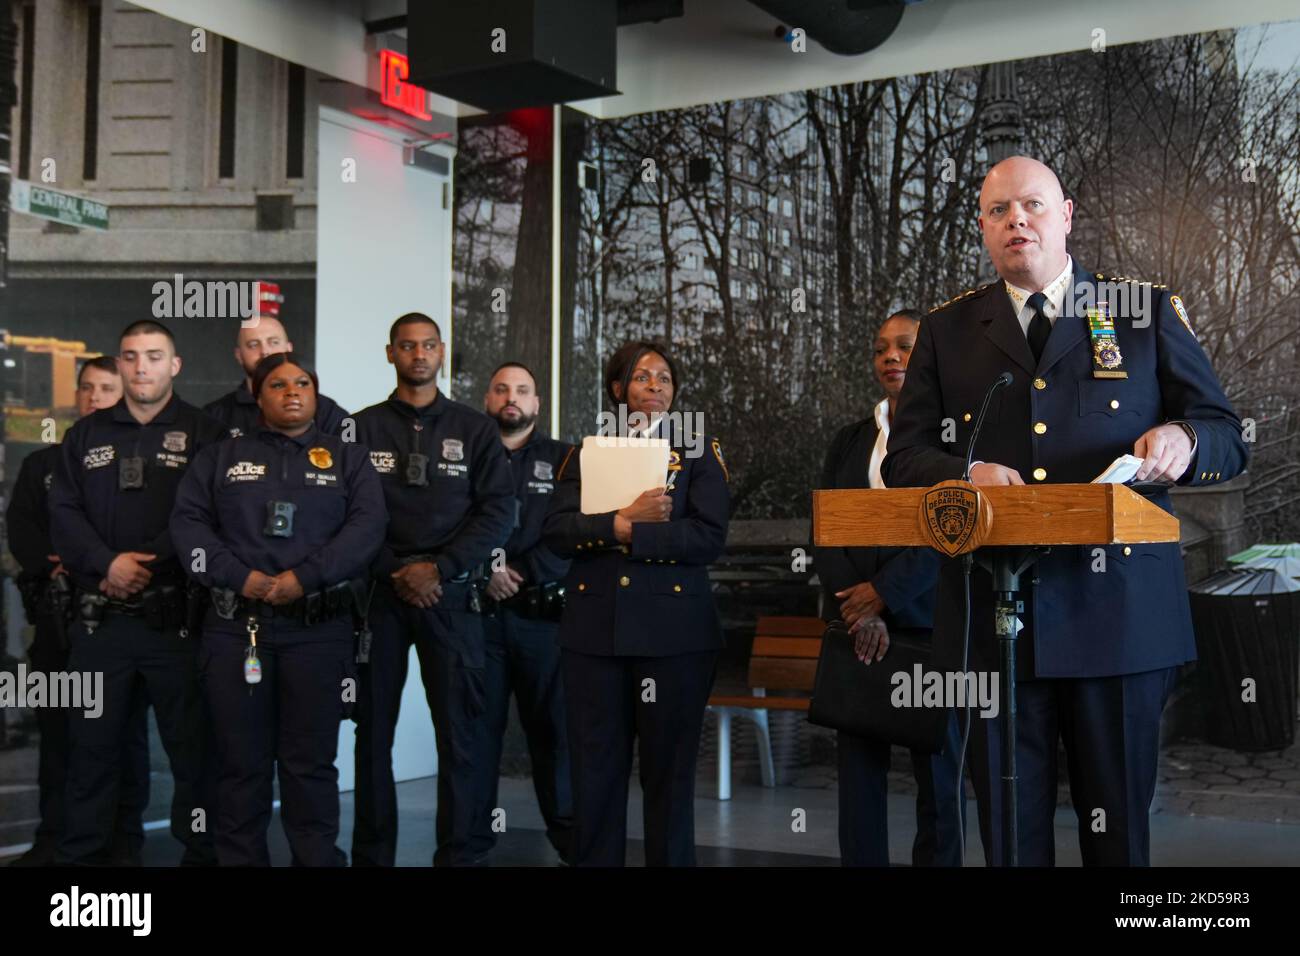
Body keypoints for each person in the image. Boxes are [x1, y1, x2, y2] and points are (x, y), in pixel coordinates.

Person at [881, 156, 1249, 866]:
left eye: (1033, 205)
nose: (1017, 220)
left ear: (1067, 214)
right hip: (994, 625)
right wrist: (966, 473)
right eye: (998, 211)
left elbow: (1227, 438)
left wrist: (1185, 436)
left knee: (1117, 839)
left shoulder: (1141, 311)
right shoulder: (948, 329)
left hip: (1120, 619)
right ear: (984, 229)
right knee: (1011, 839)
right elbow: (905, 460)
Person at [171, 353, 386, 866]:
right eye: (278, 384)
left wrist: (304, 578)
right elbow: (189, 527)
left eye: (303, 383)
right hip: (235, 630)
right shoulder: (221, 457)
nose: (292, 391)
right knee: (240, 766)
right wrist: (239, 577)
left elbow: (366, 530)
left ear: (316, 393)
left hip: (319, 631)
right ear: (256, 394)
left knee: (309, 765)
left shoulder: (348, 457)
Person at [542, 341, 730, 867]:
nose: (655, 386)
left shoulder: (697, 450)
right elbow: (555, 531)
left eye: (664, 378)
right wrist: (618, 523)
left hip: (675, 638)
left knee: (669, 779)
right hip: (593, 635)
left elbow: (709, 537)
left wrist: (639, 537)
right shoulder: (586, 453)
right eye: (642, 377)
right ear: (617, 389)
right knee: (594, 774)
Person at [49, 320, 226, 865]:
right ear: (119, 365)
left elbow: (208, 513)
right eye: (130, 357)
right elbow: (63, 511)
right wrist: (108, 563)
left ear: (174, 365)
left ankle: (202, 856)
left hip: (178, 622)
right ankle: (88, 871)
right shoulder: (85, 434)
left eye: (154, 356)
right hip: (102, 622)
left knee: (193, 756)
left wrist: (145, 562)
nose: (141, 367)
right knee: (92, 754)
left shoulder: (206, 432)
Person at [351, 312, 514, 867]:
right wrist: (394, 569)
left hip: (453, 597)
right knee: (372, 737)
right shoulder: (359, 428)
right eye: (407, 346)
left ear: (442, 352)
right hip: (380, 598)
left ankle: (461, 854)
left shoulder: (474, 429)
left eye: (428, 346)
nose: (418, 355)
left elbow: (498, 512)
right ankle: (372, 857)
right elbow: (344, 513)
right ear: (390, 353)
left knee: (461, 738)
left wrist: (439, 570)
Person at [815, 310, 967, 867]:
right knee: (858, 778)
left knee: (940, 780)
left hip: (933, 623)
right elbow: (825, 529)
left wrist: (885, 593)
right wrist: (860, 609)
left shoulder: (955, 438)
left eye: (903, 346)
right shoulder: (850, 441)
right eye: (880, 348)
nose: (890, 357)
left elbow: (956, 525)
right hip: (856, 627)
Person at [5, 357, 151, 867]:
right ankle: (54, 837)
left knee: (122, 735)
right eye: (86, 387)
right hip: (55, 621)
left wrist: (97, 566)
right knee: (59, 733)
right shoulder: (42, 464)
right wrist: (62, 565)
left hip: (117, 620)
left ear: (124, 393)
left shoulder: (137, 464)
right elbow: (22, 532)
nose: (93, 397)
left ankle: (123, 841)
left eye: (105, 389)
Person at [469, 361, 574, 864]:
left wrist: (522, 572)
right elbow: (445, 523)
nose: (511, 397)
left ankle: (573, 845)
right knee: (475, 735)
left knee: (556, 738)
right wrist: (484, 569)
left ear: (537, 403)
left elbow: (575, 531)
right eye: (502, 389)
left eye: (523, 390)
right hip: (478, 619)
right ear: (487, 398)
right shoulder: (466, 453)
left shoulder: (565, 459)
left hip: (544, 622)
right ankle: (469, 846)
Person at [203, 316, 348, 437]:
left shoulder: (327, 412)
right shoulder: (214, 416)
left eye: (274, 342)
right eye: (253, 345)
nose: (265, 351)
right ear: (239, 355)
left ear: (289, 349)